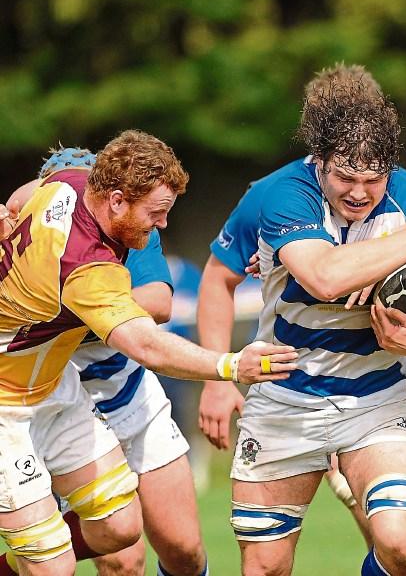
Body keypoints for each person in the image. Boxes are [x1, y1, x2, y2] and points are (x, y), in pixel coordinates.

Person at [196, 65, 406, 576]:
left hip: (378, 393)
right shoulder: (280, 195)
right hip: (285, 395)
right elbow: (323, 278)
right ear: (319, 160)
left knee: (405, 541)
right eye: (345, 178)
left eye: (373, 179)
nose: (360, 193)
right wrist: (216, 376)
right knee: (265, 567)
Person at [0, 132, 297, 575]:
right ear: (117, 200)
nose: (162, 226)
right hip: (6, 405)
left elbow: (22, 197)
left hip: (54, 387)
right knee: (54, 563)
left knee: (120, 529)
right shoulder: (85, 267)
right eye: (156, 214)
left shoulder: (70, 180)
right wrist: (233, 364)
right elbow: (146, 344)